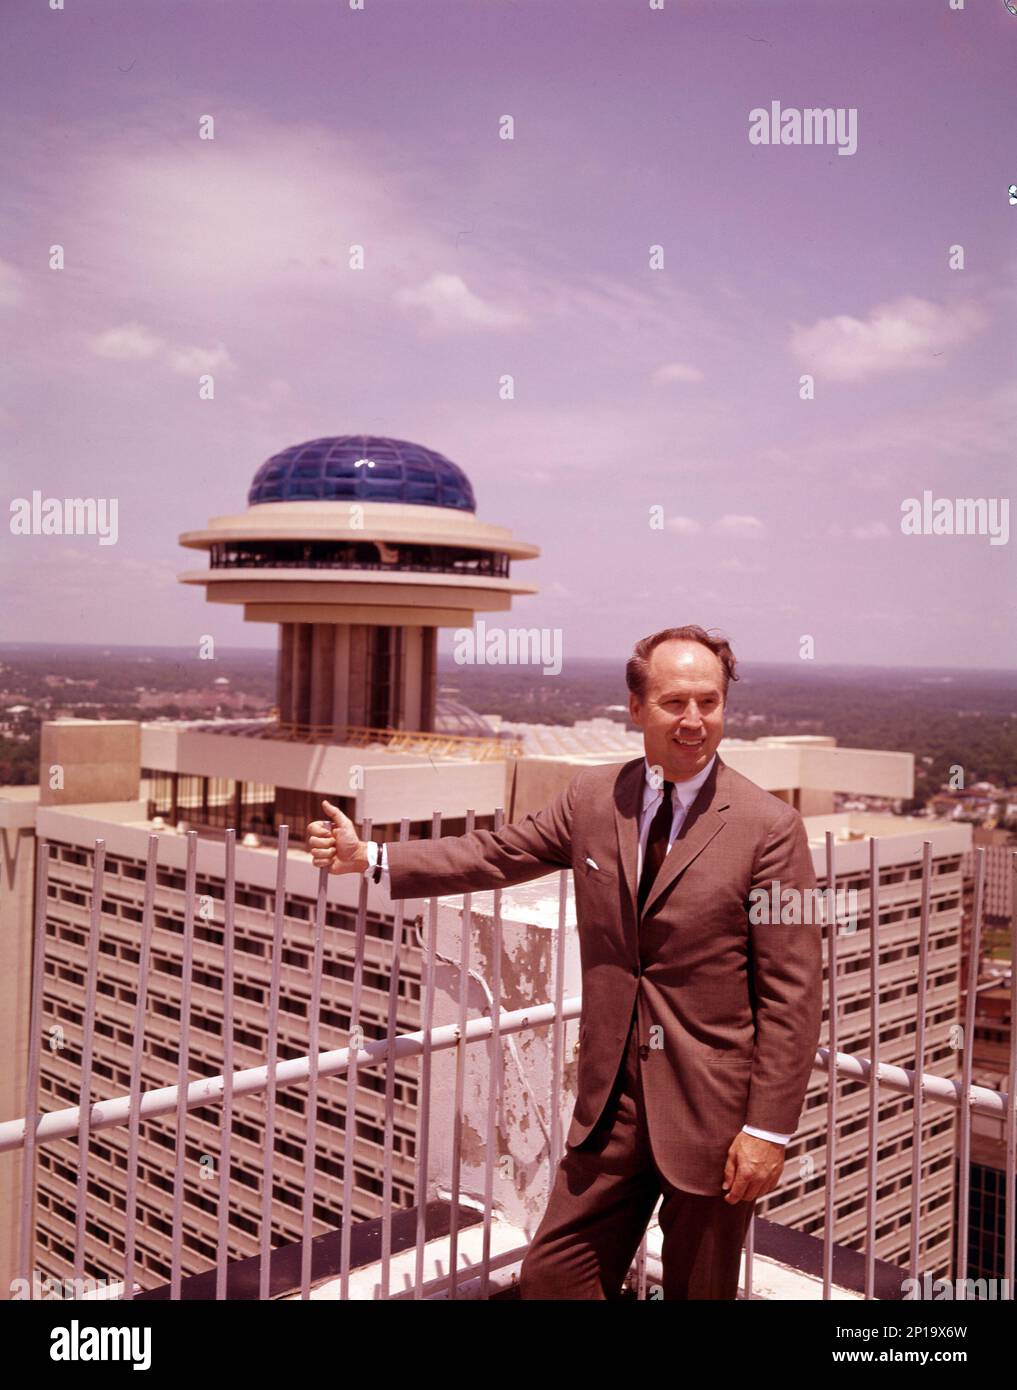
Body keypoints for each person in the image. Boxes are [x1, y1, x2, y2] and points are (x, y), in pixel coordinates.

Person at [306, 624, 823, 1299]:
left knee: (700, 1291)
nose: (694, 720)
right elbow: (495, 854)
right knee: (554, 1277)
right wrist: (371, 860)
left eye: (709, 702)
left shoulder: (767, 829)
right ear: (637, 709)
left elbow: (791, 992)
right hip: (611, 1104)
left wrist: (766, 1130)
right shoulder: (592, 800)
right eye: (674, 703)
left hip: (713, 1116)